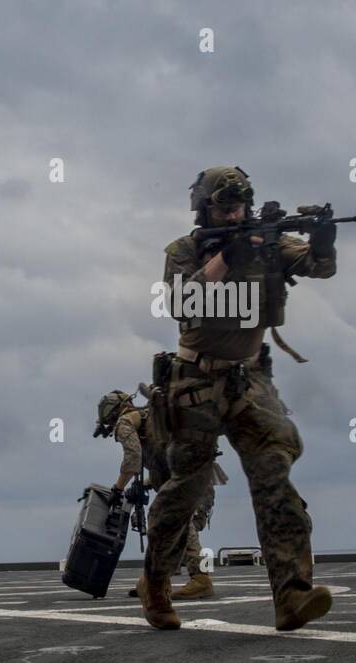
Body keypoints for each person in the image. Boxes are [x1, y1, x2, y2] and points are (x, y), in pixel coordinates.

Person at [139, 167, 337, 631]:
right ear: (205, 209)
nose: (233, 213)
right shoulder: (186, 250)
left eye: (239, 206)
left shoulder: (268, 245)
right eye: (224, 206)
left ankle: (291, 594)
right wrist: (225, 256)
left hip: (249, 381)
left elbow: (318, 266)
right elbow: (181, 303)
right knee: (187, 485)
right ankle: (156, 582)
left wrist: (323, 238)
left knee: (275, 473)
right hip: (194, 381)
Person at [95, 389, 224, 599]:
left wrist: (117, 489)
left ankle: (201, 579)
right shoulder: (151, 419)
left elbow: (132, 461)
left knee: (180, 523)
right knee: (162, 522)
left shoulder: (125, 423)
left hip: (190, 480)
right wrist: (145, 484)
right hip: (199, 479)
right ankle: (155, 581)